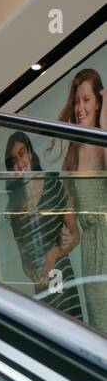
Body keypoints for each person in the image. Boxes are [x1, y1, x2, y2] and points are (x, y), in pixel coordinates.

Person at [4, 133, 83, 319]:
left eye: (22, 154)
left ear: (30, 153)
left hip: (61, 277)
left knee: (75, 334)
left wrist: (53, 254)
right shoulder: (15, 206)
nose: (20, 163)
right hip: (41, 287)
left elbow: (75, 234)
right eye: (13, 160)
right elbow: (24, 258)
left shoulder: (52, 184)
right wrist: (32, 273)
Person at [59, 68, 107, 328]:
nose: (79, 108)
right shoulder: (74, 153)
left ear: (98, 103)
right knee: (100, 326)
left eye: (86, 100)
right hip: (91, 251)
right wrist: (69, 235)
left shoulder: (103, 145)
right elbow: (73, 219)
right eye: (77, 101)